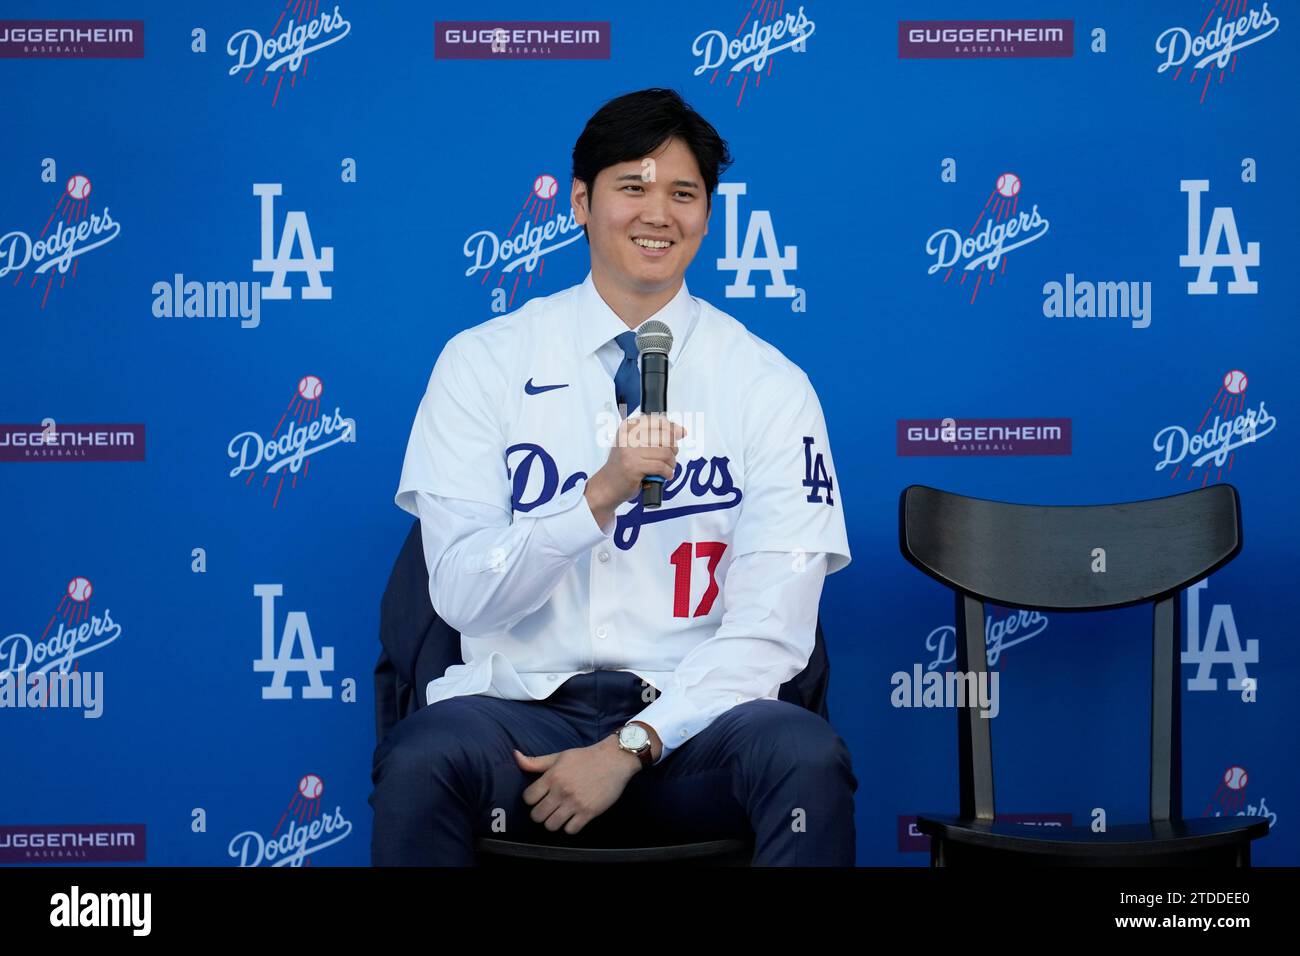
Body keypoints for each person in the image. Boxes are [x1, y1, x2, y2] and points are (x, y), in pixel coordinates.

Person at [372, 87, 856, 865]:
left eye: (683, 194)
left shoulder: (770, 385)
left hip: (695, 722)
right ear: (580, 202)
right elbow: (459, 595)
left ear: (707, 216)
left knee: (801, 756)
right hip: (519, 716)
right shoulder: (482, 363)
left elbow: (773, 632)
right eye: (633, 186)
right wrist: (595, 498)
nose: (657, 214)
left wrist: (633, 744)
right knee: (425, 758)